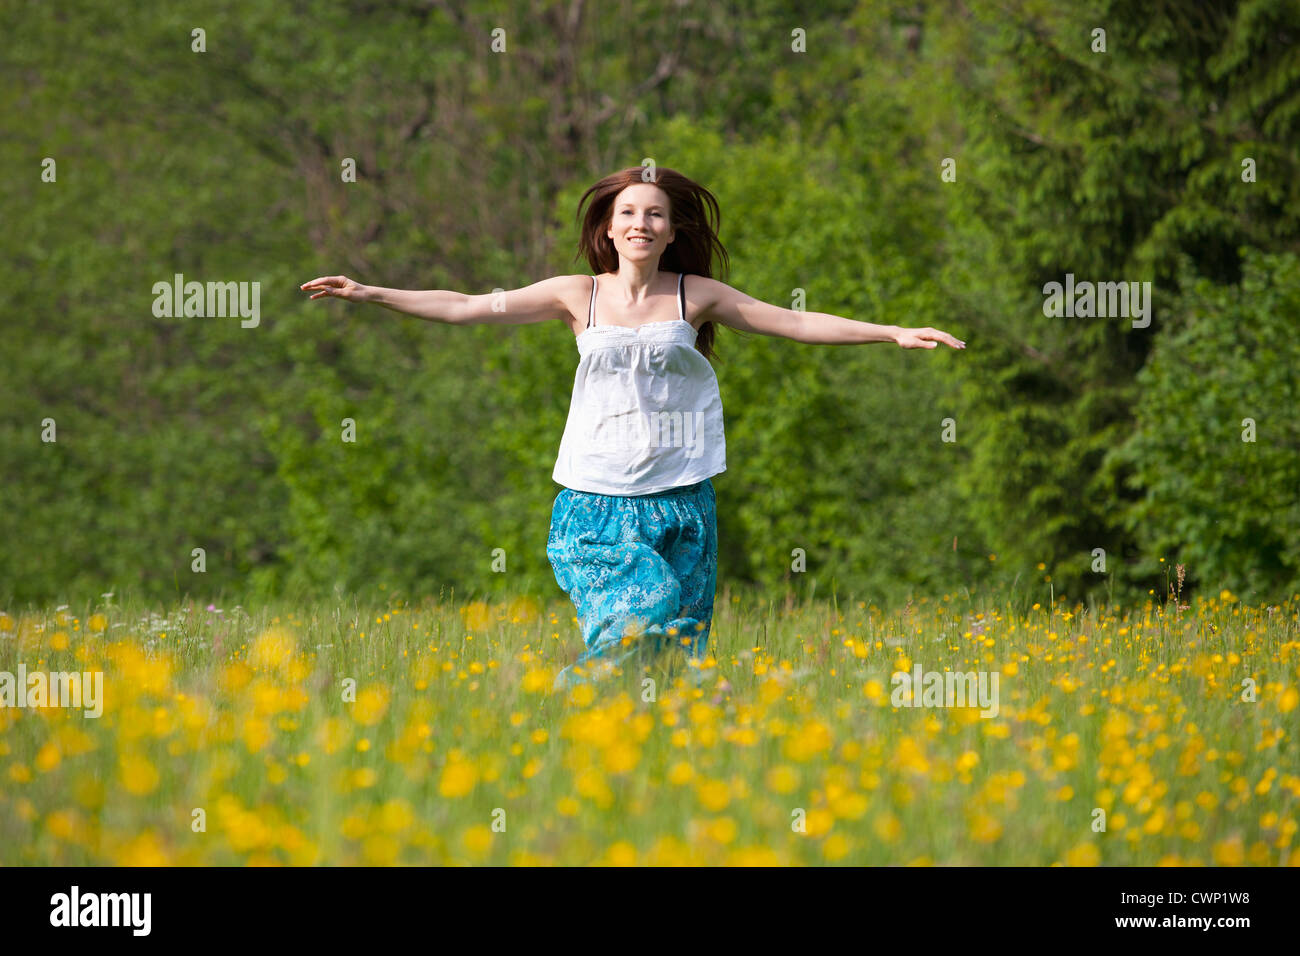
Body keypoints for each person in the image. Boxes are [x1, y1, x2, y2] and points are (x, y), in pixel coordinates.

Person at [301, 166, 965, 691]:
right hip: (596, 502)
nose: (641, 223)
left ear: (671, 231)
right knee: (642, 613)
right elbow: (468, 307)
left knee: (676, 649)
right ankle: (564, 700)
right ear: (609, 230)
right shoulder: (576, 294)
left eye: (654, 214)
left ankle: (644, 759)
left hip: (683, 497)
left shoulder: (695, 295)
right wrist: (371, 292)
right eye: (628, 213)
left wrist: (891, 332)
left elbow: (790, 322)